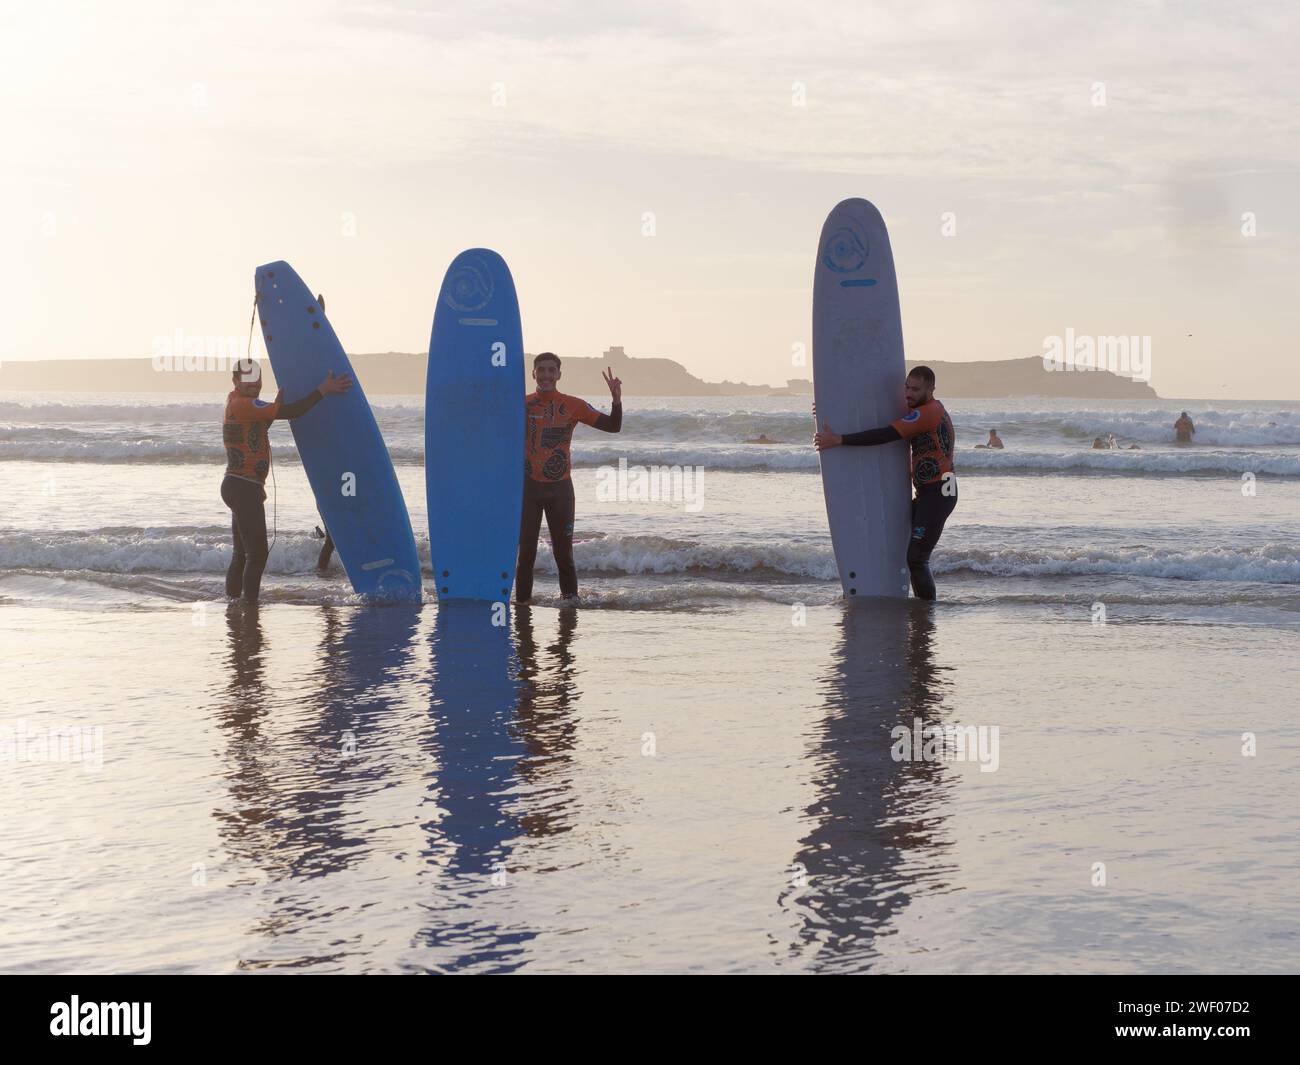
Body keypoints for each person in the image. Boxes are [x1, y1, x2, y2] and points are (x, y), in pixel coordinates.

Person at [814, 365, 956, 601]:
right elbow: (876, 411)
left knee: (917, 558)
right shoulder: (921, 408)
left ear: (931, 390)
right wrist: (829, 411)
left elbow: (885, 434)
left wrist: (840, 440)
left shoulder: (927, 413)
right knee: (901, 545)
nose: (908, 393)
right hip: (930, 492)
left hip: (939, 493)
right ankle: (913, 603)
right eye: (906, 387)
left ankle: (926, 610)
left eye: (915, 389)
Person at [222, 359, 351, 604]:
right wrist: (324, 389)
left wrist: (275, 404)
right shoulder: (244, 404)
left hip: (236, 486)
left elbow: (260, 427)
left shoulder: (236, 402)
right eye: (248, 381)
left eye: (257, 379)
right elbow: (294, 412)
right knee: (257, 555)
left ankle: (233, 604)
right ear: (236, 382)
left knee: (241, 554)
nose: (255, 385)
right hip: (244, 488)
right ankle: (249, 608)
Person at [516, 353, 623, 605]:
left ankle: (570, 604)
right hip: (527, 489)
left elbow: (613, 426)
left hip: (560, 490)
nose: (545, 375)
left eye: (551, 370)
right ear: (533, 374)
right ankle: (521, 606)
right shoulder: (521, 404)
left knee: (564, 554)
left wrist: (616, 400)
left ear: (559, 374)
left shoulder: (573, 405)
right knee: (526, 555)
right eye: (541, 370)